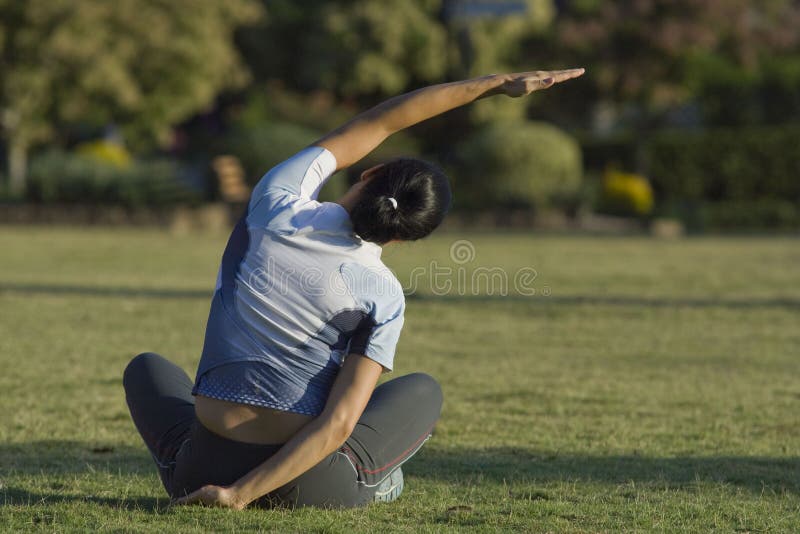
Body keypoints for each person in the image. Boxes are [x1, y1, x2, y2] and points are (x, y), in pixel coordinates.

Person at [123, 68, 585, 509]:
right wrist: (242, 497)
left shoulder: (274, 203)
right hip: (310, 486)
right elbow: (339, 423)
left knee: (146, 369)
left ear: (368, 174)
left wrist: (497, 84)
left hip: (202, 470)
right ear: (404, 237)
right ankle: (372, 482)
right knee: (423, 391)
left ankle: (189, 466)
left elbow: (381, 120)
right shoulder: (382, 293)